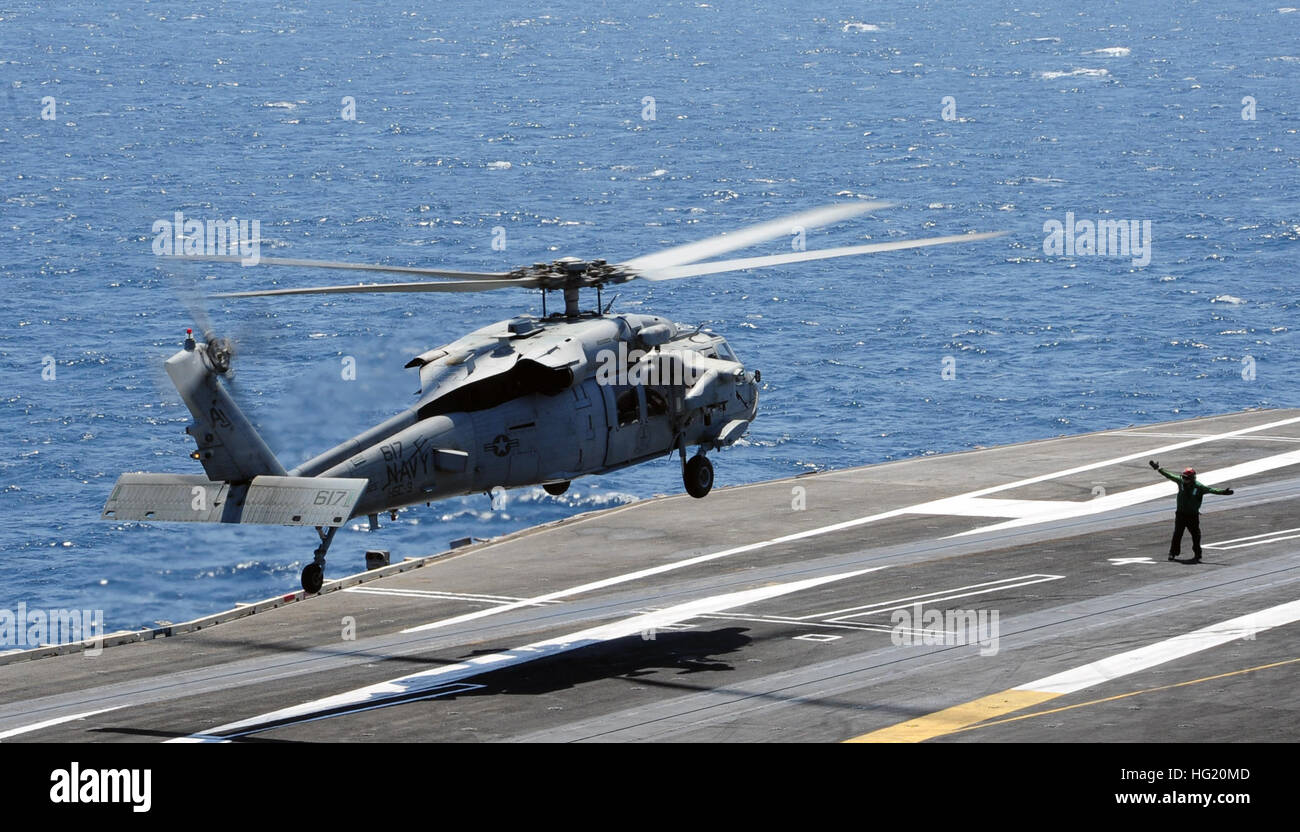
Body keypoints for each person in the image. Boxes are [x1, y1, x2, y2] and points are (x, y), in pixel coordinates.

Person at [1148, 460, 1233, 563]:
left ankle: (1198, 554)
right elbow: (1169, 475)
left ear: (1192, 479)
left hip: (1193, 516)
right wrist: (1158, 468)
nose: (1184, 479)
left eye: (1186, 478)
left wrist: (1223, 492)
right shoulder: (1181, 482)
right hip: (1181, 514)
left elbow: (1211, 490)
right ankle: (1172, 553)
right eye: (1183, 477)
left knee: (1196, 535)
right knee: (1177, 534)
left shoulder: (1199, 487)